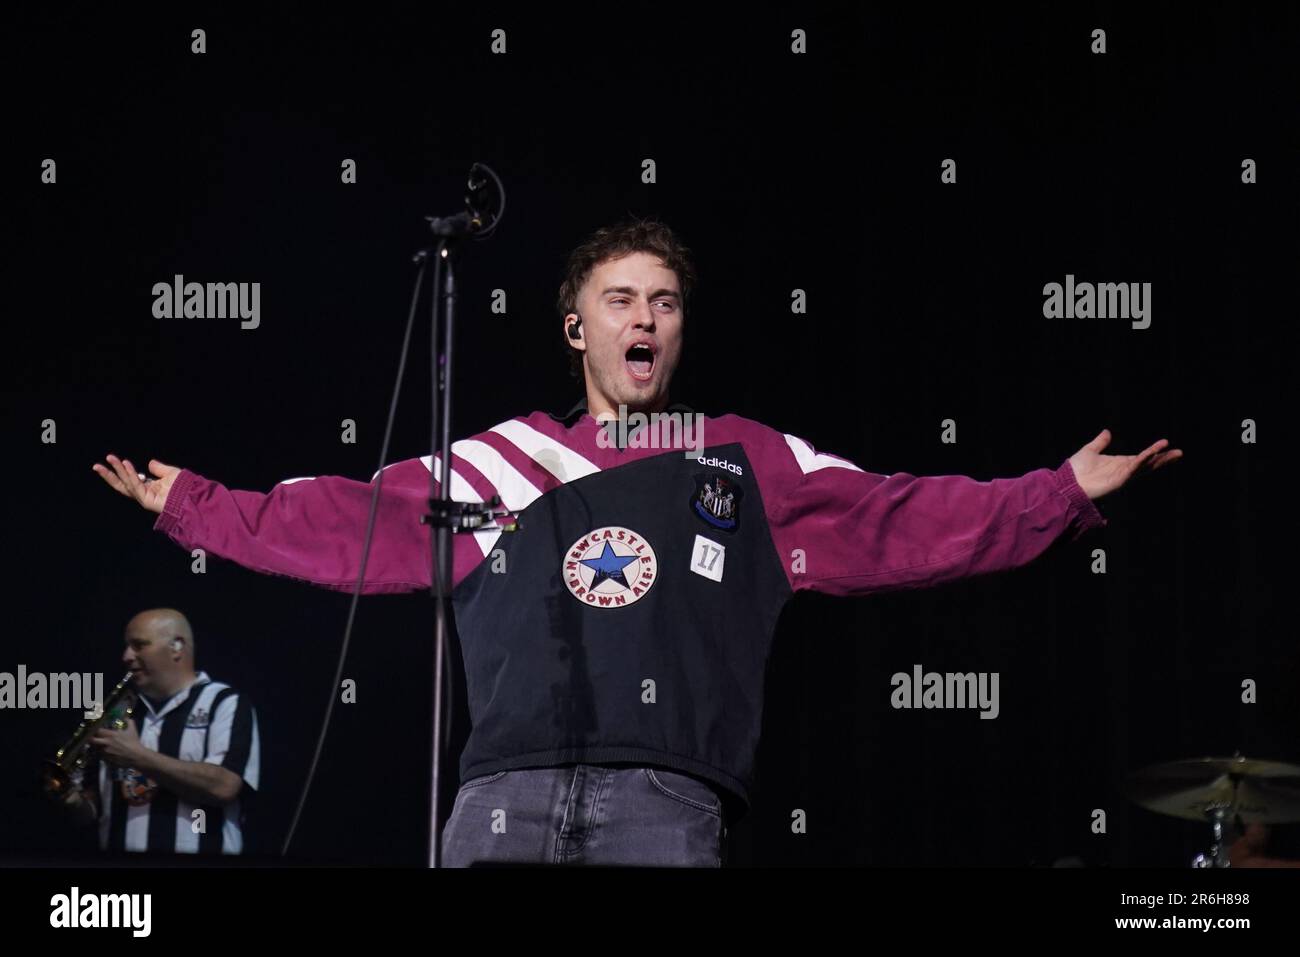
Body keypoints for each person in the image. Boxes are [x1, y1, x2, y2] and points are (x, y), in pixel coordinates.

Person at [93, 217, 1181, 866]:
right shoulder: (496, 463)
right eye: (619, 300)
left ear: (677, 329)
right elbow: (338, 518)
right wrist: (196, 503)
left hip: (663, 802)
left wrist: (1056, 493)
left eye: (662, 302)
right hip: (498, 800)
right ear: (579, 326)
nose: (643, 319)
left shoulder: (741, 458)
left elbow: (900, 517)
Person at [60, 608, 260, 854]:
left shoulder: (225, 702)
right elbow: (94, 813)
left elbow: (224, 786)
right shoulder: (115, 712)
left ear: (177, 647)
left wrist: (138, 757)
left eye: (139, 645)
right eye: (126, 646)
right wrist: (73, 800)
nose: (127, 656)